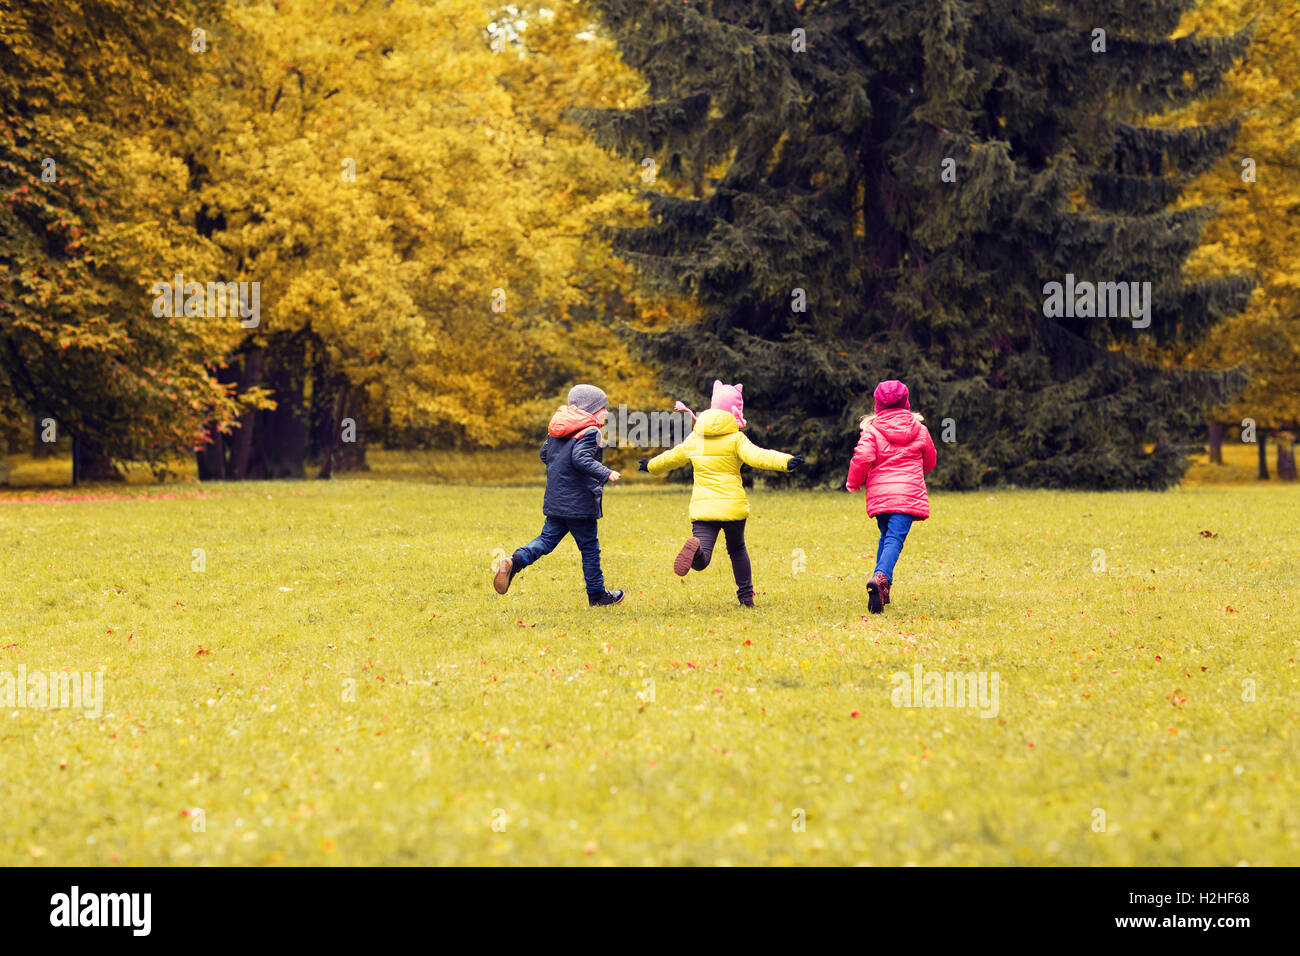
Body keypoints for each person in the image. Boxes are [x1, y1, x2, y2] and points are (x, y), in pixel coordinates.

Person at [639, 380, 802, 607]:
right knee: (737, 549)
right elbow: (759, 456)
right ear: (736, 411)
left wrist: (650, 466)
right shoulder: (736, 438)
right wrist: (786, 461)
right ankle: (746, 598)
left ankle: (695, 549)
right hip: (732, 507)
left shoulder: (696, 438)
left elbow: (671, 457)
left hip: (703, 508)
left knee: (702, 559)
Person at [493, 384, 625, 606]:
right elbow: (581, 459)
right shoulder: (590, 431)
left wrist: (561, 470)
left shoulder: (558, 428)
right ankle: (597, 595)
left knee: (546, 540)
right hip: (580, 504)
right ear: (591, 409)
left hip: (557, 499)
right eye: (603, 408)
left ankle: (514, 561)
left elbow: (545, 454)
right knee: (590, 549)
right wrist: (606, 472)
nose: (606, 413)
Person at [845, 380, 936, 614]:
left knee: (886, 537)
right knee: (894, 539)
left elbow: (863, 457)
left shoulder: (872, 430)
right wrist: (915, 471)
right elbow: (931, 460)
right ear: (906, 403)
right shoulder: (920, 429)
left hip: (881, 495)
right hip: (907, 495)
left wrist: (854, 482)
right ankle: (881, 578)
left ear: (877, 406)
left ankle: (882, 591)